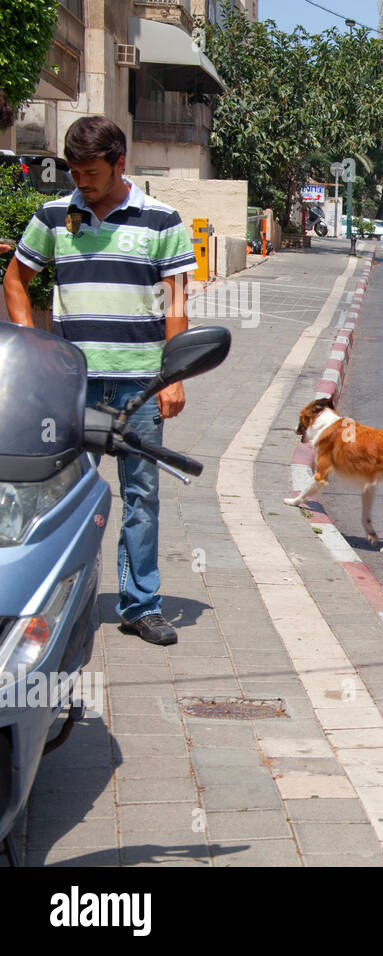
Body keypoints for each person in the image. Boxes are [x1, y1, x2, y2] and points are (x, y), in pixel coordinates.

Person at [3, 116, 196, 646]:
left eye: (91, 172)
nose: (81, 182)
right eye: (74, 171)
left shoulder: (161, 220)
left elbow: (177, 299)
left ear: (120, 163)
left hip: (140, 387)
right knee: (63, 498)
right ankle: (60, 603)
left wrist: (173, 377)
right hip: (70, 389)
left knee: (142, 495)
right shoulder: (53, 215)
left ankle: (141, 605)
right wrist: (32, 346)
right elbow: (16, 279)